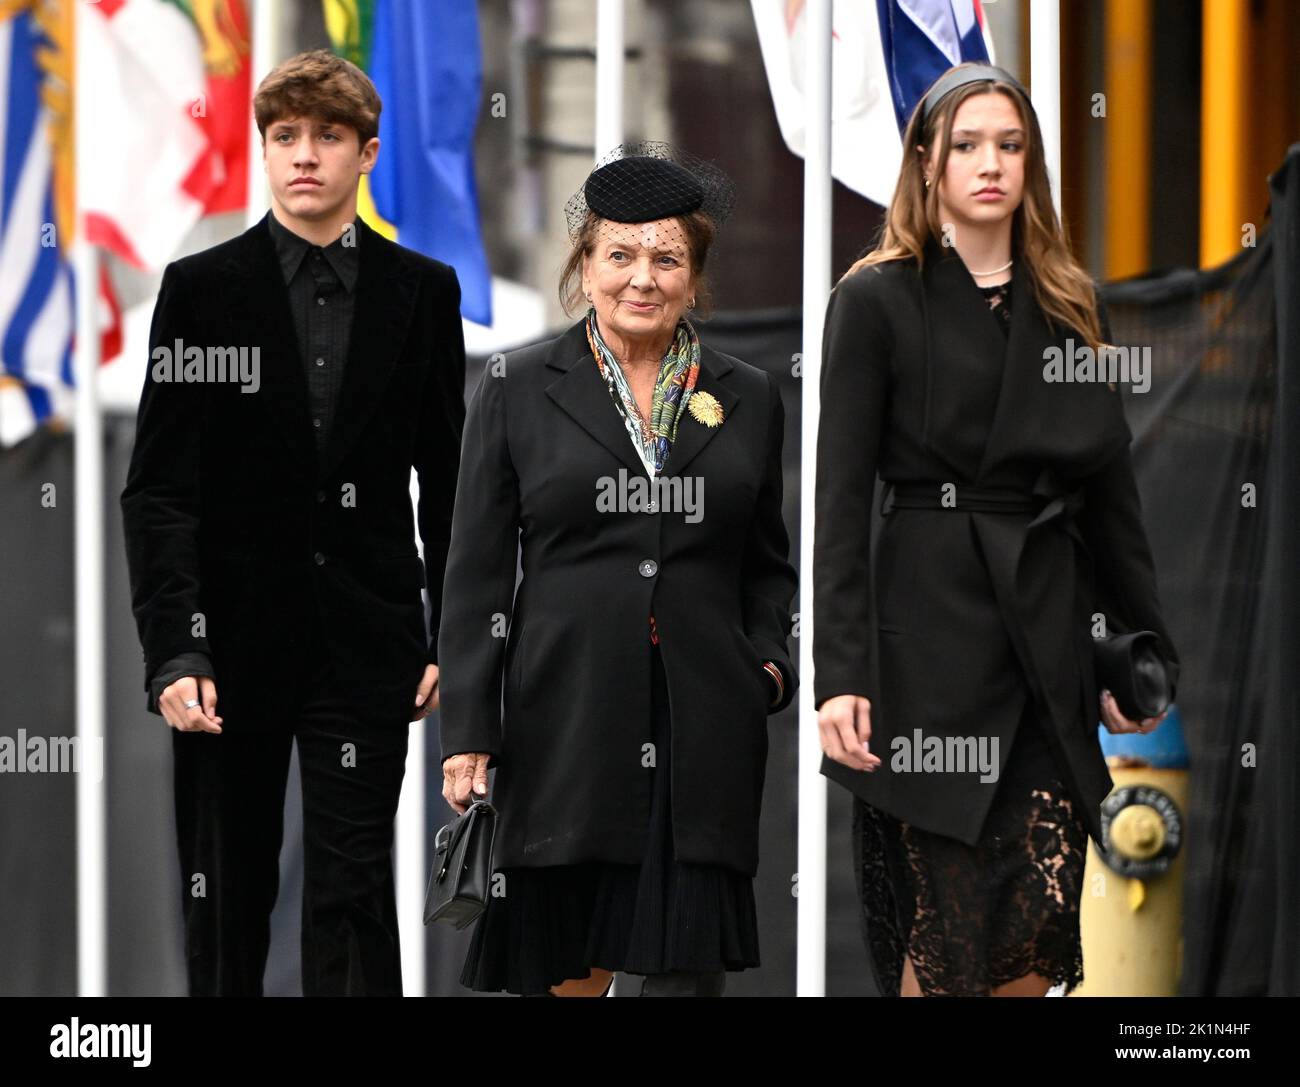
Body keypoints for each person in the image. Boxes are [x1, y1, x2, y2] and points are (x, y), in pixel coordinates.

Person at [812, 63, 1181, 997]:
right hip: (923, 654)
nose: (991, 164)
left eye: (1010, 146)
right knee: (948, 939)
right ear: (928, 162)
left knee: (1036, 931)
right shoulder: (874, 299)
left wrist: (1142, 652)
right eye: (968, 145)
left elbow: (1110, 494)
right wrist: (841, 674)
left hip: (1043, 653)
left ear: (1032, 164)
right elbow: (840, 500)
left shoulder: (1066, 304)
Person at [120, 49, 466, 996]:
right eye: (285, 137)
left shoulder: (423, 292)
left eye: (327, 136)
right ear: (265, 151)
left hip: (370, 641)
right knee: (226, 886)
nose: (304, 154)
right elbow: (159, 490)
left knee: (353, 888)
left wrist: (443, 631)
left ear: (368, 153)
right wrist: (176, 650)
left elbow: (449, 478)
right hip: (228, 644)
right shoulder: (199, 290)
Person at [438, 142, 798, 997]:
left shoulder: (749, 394)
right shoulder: (517, 386)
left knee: (684, 968)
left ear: (694, 274)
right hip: (562, 722)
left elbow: (767, 562)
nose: (643, 277)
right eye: (620, 254)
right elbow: (476, 574)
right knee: (568, 965)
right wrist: (470, 734)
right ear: (586, 266)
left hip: (702, 721)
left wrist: (768, 668)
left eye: (667, 257)